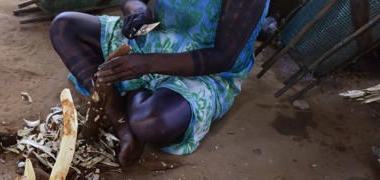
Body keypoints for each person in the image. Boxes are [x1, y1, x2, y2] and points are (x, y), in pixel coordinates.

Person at [50, 0, 269, 164]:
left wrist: (146, 65)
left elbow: (223, 57)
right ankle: (119, 118)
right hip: (154, 39)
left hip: (204, 70)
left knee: (152, 123)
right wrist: (137, 11)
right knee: (64, 26)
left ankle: (135, 95)